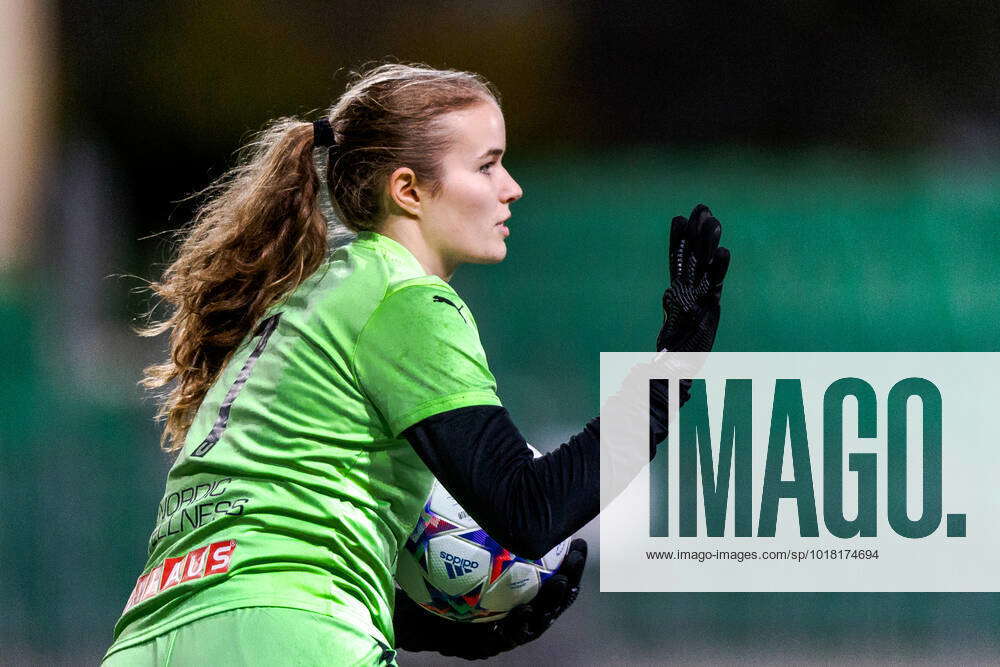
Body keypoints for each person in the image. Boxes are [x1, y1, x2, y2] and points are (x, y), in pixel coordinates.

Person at [103, 63, 730, 665]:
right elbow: (527, 510)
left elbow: (267, 549)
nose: (511, 187)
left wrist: (452, 636)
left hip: (150, 636)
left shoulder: (306, 297)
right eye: (487, 166)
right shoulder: (404, 298)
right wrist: (672, 367)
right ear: (407, 189)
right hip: (292, 634)